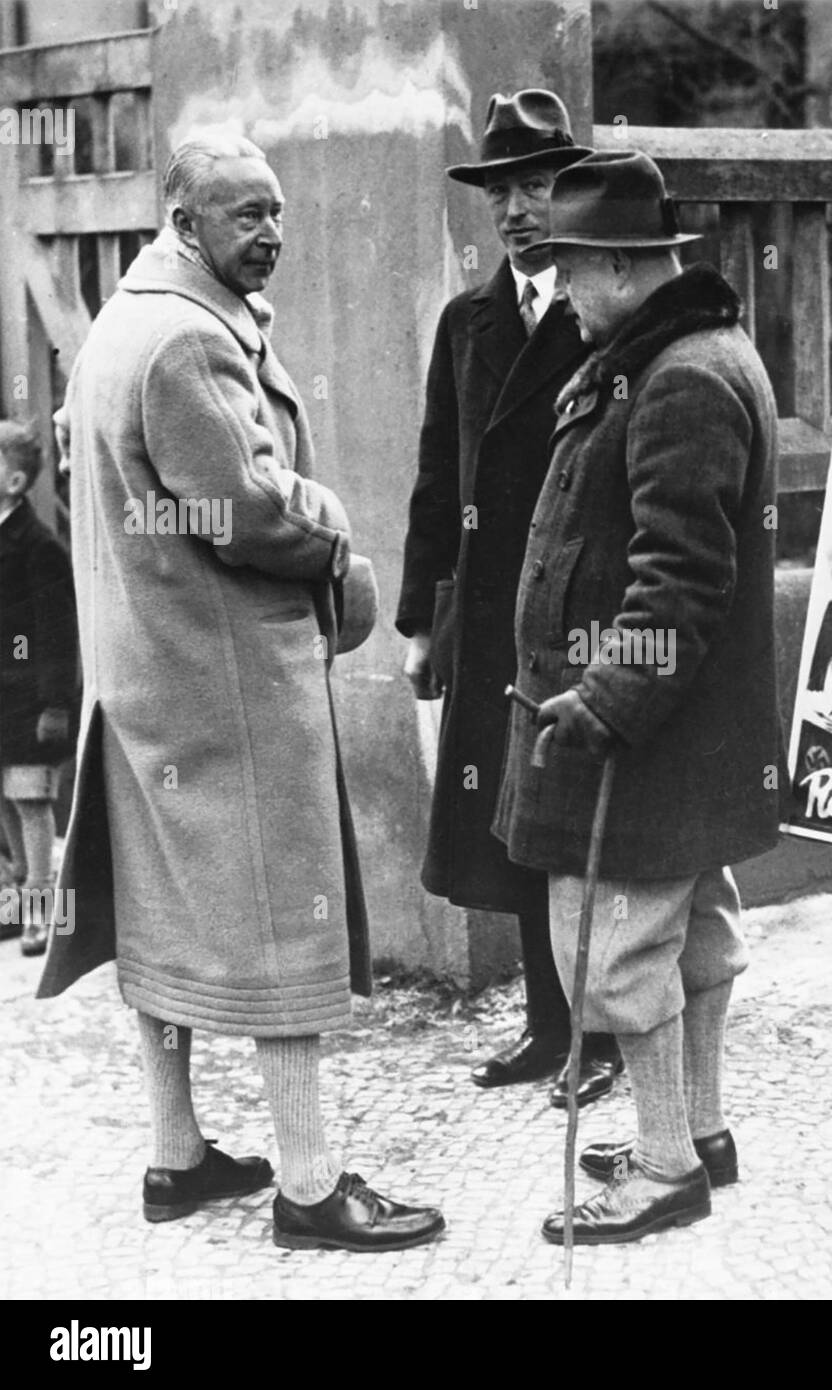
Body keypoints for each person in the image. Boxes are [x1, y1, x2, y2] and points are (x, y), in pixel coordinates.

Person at [37, 133, 444, 1250]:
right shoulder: (183, 342)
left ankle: (175, 1158)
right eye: (246, 216)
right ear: (186, 225)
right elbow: (250, 509)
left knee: (160, 920)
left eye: (276, 213)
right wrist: (341, 535)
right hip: (226, 682)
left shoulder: (124, 323)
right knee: (284, 924)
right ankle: (310, 1186)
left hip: (146, 675)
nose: (271, 234)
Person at [493, 151, 782, 1243]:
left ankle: (665, 1164)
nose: (560, 288)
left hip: (641, 735)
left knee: (614, 947)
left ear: (620, 265)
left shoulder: (681, 377)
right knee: (693, 930)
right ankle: (698, 1128)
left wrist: (608, 699)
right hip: (683, 731)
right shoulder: (669, 354)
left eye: (570, 267)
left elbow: (681, 577)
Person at [397, 89, 623, 1108]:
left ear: (570, 190)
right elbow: (438, 477)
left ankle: (608, 1031)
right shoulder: (467, 322)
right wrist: (419, 620)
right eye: (504, 192)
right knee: (514, 819)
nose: (521, 210)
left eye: (538, 185)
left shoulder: (606, 314)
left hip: (579, 606)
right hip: (493, 613)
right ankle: (549, 1023)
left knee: (583, 821)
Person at [0, 421, 77, 957]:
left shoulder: (39, 546)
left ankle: (40, 914)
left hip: (30, 700)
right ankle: (15, 903)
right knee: (5, 800)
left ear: (15, 481)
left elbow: (56, 631)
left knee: (30, 800)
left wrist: (54, 704)